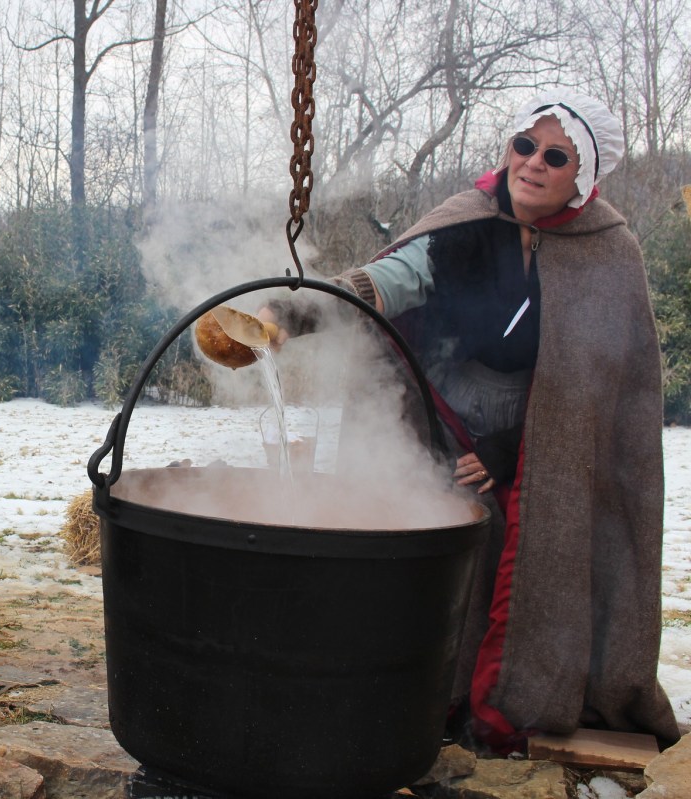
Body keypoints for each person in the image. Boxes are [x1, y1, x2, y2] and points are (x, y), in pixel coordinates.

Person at [261, 90, 682, 752]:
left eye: (555, 156)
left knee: (523, 545)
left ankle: (511, 702)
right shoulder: (464, 223)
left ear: (584, 175)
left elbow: (598, 397)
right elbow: (388, 281)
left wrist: (517, 450)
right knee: (433, 534)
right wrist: (289, 315)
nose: (532, 164)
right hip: (450, 413)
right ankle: (424, 690)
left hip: (545, 437)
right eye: (523, 146)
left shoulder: (609, 253)